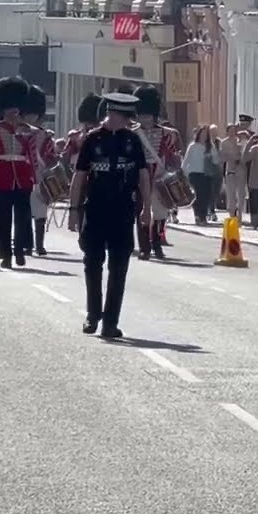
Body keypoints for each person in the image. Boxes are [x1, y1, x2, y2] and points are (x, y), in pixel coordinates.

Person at [67, 92, 151, 338]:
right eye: (125, 117)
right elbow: (79, 176)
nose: (128, 122)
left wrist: (147, 208)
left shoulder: (132, 140)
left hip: (123, 210)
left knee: (119, 267)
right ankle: (93, 315)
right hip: (95, 209)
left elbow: (143, 175)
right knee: (92, 264)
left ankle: (110, 322)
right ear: (114, 114)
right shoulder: (92, 140)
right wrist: (73, 210)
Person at [0, 76, 35, 268]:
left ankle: (20, 249)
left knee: (22, 217)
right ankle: (5, 254)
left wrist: (36, 179)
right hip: (2, 175)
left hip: (22, 176)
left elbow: (33, 156)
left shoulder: (28, 131)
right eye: (9, 107)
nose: (13, 110)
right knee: (3, 218)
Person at [132, 86, 180, 260]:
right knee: (141, 213)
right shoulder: (133, 134)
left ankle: (157, 245)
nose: (144, 119)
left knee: (160, 215)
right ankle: (145, 247)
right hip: (138, 179)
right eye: (141, 115)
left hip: (158, 178)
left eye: (147, 115)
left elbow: (171, 155)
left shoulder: (165, 134)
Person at [18, 84, 56, 256]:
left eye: (34, 113)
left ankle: (39, 244)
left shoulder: (45, 135)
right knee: (24, 210)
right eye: (28, 113)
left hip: (39, 175)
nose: (31, 117)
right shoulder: (17, 133)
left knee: (40, 211)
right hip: (21, 175)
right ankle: (27, 243)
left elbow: (50, 155)